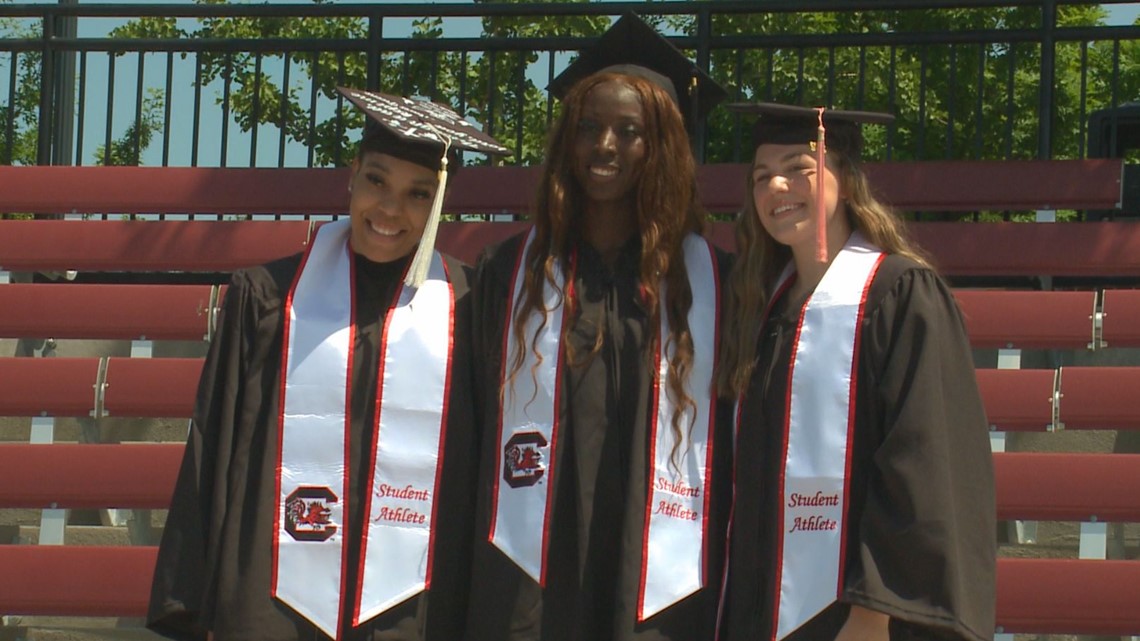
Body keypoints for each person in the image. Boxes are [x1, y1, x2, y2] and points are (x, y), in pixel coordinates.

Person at [147, 87, 510, 641]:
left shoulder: (469, 304)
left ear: (440, 204)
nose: (390, 209)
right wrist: (191, 596)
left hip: (414, 598)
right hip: (274, 593)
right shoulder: (269, 298)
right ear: (352, 174)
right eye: (377, 181)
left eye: (419, 194)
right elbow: (213, 447)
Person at [463, 13, 732, 641]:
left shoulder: (710, 284)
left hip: (661, 566)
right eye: (588, 127)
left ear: (661, 146)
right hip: (535, 566)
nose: (604, 146)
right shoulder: (511, 274)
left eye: (629, 131)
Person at [716, 102, 996, 641]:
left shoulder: (900, 295)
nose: (777, 186)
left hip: (861, 616)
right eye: (761, 176)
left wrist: (874, 613)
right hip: (762, 604)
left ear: (844, 180)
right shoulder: (762, 306)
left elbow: (922, 462)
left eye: (799, 167)